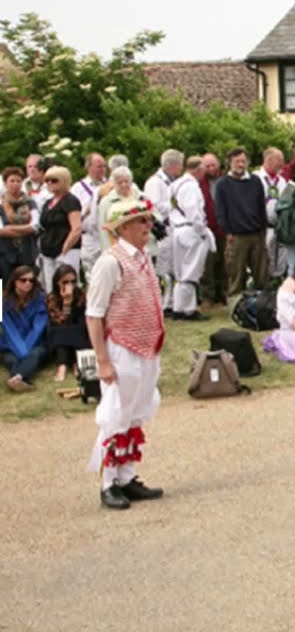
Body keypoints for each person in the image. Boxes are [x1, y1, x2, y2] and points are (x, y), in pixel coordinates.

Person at [85, 199, 166, 510]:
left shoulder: (144, 257)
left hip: (147, 346)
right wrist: (103, 361)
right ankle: (108, 483)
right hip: (122, 346)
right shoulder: (110, 262)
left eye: (148, 221)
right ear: (124, 228)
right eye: (142, 222)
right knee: (116, 413)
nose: (148, 227)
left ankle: (127, 476)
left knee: (136, 410)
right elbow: (94, 314)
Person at [215, 147, 269, 299]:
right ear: (230, 163)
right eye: (237, 161)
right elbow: (220, 210)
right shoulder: (222, 184)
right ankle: (235, 304)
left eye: (243, 161)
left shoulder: (255, 181)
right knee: (235, 273)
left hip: (256, 233)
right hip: (236, 235)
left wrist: (263, 230)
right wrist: (227, 231)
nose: (240, 165)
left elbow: (261, 207)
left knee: (261, 272)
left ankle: (262, 304)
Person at [168, 156, 212, 321]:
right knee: (191, 270)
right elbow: (193, 211)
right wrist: (201, 230)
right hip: (189, 230)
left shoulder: (175, 185)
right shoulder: (191, 186)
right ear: (198, 170)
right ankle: (188, 309)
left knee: (181, 271)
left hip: (177, 229)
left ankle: (179, 307)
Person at [144, 149, 184, 316]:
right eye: (180, 165)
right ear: (173, 165)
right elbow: (153, 206)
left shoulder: (172, 181)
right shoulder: (155, 182)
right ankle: (162, 304)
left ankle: (172, 303)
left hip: (173, 229)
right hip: (162, 232)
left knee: (173, 269)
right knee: (163, 270)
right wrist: (176, 203)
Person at [1, 265, 48, 392]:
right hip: (9, 344)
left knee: (35, 354)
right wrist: (22, 351)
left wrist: (25, 351)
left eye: (31, 280)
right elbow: (9, 329)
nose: (28, 283)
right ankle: (22, 380)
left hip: (35, 343)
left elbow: (38, 328)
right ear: (15, 282)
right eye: (23, 280)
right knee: (11, 359)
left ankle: (16, 377)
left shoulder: (40, 299)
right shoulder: (4, 302)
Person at [36, 167, 83, 292]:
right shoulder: (48, 203)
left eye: (54, 180)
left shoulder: (70, 200)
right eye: (47, 181)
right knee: (51, 288)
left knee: (67, 285)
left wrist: (65, 249)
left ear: (64, 181)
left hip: (65, 251)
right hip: (48, 252)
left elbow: (77, 228)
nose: (50, 183)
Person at [46, 263, 89, 383]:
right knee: (60, 330)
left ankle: (76, 362)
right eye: (65, 282)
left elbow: (81, 320)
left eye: (73, 281)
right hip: (59, 335)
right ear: (57, 282)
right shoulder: (52, 298)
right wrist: (66, 303)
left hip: (79, 333)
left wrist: (71, 303)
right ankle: (62, 364)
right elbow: (59, 322)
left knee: (75, 329)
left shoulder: (81, 295)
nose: (70, 285)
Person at [256, 147, 290, 279]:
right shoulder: (256, 178)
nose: (282, 163)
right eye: (279, 160)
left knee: (280, 260)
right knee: (264, 260)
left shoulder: (281, 181)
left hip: (280, 227)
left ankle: (277, 286)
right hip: (263, 228)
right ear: (268, 160)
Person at [199, 153, 228, 305]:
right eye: (207, 166)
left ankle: (224, 293)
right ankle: (207, 297)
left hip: (225, 227)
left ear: (218, 164)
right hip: (207, 228)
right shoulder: (199, 183)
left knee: (225, 263)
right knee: (207, 264)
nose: (211, 168)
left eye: (213, 165)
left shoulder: (226, 180)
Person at [0, 166, 39, 279]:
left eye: (18, 180)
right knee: (5, 289)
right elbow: (1, 231)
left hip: (27, 254)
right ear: (5, 183)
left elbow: (36, 226)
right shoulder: (1, 204)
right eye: (12, 180)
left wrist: (11, 229)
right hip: (6, 255)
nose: (15, 183)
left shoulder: (30, 202)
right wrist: (27, 229)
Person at [72, 153, 108, 276]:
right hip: (89, 237)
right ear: (89, 167)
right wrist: (86, 209)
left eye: (104, 166)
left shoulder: (110, 185)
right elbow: (73, 214)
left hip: (107, 234)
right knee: (91, 274)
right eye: (99, 166)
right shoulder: (78, 188)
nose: (103, 169)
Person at [95, 167, 142, 253]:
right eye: (120, 182)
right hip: (117, 245)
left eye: (126, 181)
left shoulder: (141, 197)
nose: (124, 185)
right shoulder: (106, 202)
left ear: (131, 182)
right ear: (114, 184)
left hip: (140, 246)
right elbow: (103, 228)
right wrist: (107, 251)